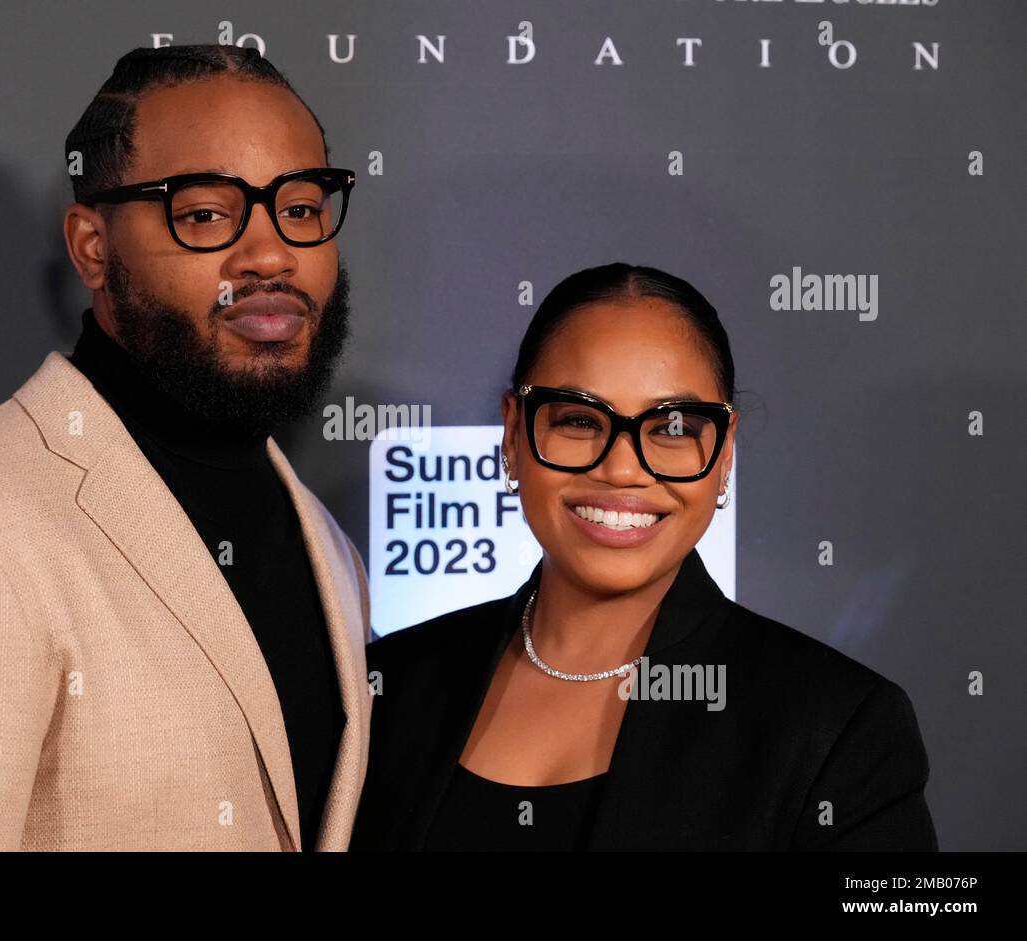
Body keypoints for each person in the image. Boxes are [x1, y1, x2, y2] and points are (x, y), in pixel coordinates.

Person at [0, 45, 371, 851]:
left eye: (301, 209)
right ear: (92, 246)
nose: (270, 254)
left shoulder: (322, 539)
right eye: (205, 213)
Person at [351, 263, 938, 851]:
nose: (623, 469)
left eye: (672, 427)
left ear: (725, 449)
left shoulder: (832, 726)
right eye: (580, 420)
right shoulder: (382, 689)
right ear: (512, 432)